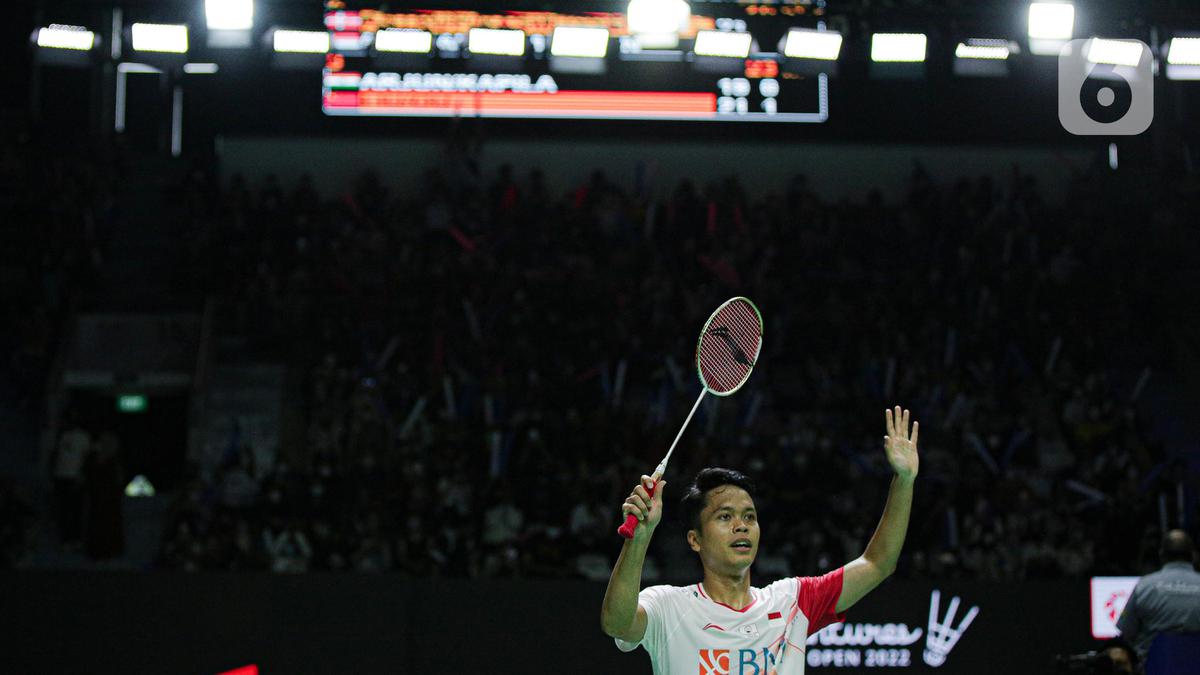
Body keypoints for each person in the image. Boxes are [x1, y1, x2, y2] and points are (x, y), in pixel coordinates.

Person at [601, 406, 919, 675]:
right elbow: (617, 623)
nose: (742, 526)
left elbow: (878, 563)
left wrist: (903, 481)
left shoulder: (792, 602)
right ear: (695, 540)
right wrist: (639, 538)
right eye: (725, 517)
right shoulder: (668, 606)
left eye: (749, 517)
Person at [1116, 529, 1200, 661]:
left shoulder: (1144, 586)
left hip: (1152, 668)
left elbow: (1126, 633)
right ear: (1193, 556)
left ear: (1162, 555)